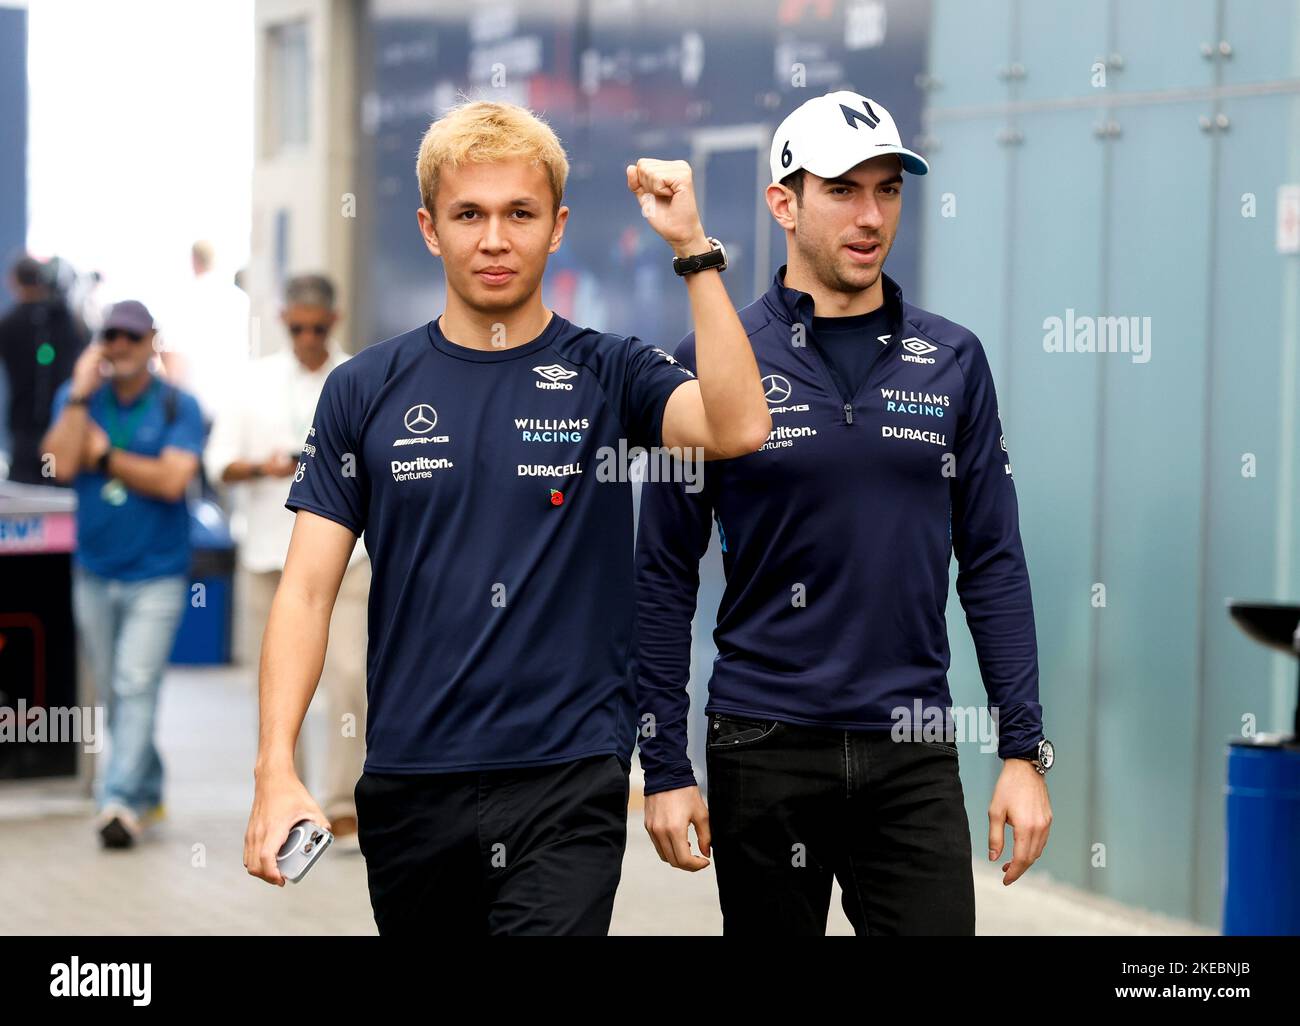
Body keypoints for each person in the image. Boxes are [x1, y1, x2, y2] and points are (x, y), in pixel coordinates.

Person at [242, 99, 771, 935]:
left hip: (568, 779)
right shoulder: (364, 389)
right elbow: (306, 592)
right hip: (412, 781)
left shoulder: (610, 370)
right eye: (470, 215)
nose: (495, 238)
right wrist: (276, 769)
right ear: (429, 227)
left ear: (557, 226)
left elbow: (739, 424)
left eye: (520, 213)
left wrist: (694, 252)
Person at [634, 91, 1054, 935]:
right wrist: (664, 765)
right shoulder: (717, 357)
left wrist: (1022, 749)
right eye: (843, 190)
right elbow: (662, 573)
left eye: (888, 190)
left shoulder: (954, 360)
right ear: (783, 203)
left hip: (913, 746)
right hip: (763, 741)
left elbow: (994, 561)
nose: (871, 216)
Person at [205, 273, 370, 848]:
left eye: (316, 328)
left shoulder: (358, 377)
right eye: (297, 326)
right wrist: (263, 468)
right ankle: (285, 798)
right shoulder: (251, 384)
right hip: (269, 555)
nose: (306, 337)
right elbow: (216, 464)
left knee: (351, 678)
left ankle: (344, 800)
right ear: (283, 322)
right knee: (277, 687)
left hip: (348, 560)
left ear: (335, 320)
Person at [41, 300, 206, 848]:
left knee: (136, 684)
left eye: (132, 337)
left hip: (156, 573)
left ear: (151, 341)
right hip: (93, 570)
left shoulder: (179, 404)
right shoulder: (78, 401)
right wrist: (81, 395)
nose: (121, 345)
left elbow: (170, 481)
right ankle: (148, 784)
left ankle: (116, 802)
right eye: (111, 336)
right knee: (116, 692)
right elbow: (59, 464)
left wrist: (107, 458)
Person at [0, 255, 88, 483]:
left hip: (28, 432)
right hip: (55, 427)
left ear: (14, 281)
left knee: (27, 497)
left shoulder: (10, 323)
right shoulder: (66, 320)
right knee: (51, 488)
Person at [157, 240, 250, 425]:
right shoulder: (240, 299)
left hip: (192, 407)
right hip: (234, 404)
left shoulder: (181, 298)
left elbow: (171, 358)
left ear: (193, 260)